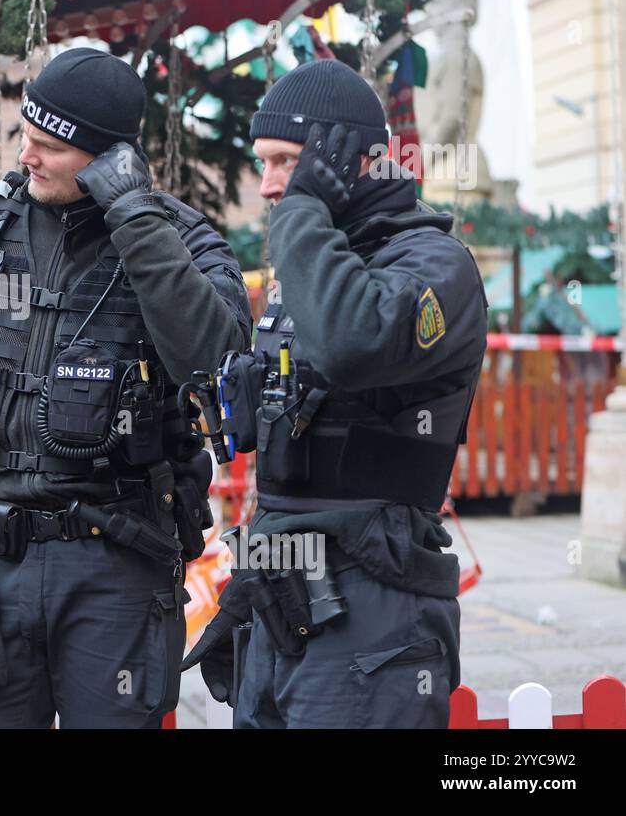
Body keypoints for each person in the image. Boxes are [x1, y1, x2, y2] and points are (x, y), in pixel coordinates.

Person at [0, 47, 252, 728]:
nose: (26, 157)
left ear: (108, 157)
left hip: (117, 572)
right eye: (25, 137)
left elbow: (215, 364)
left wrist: (134, 217)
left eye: (49, 146)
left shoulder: (180, 244)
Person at [182, 59, 488, 728]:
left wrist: (302, 212)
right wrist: (250, 583)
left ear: (346, 160)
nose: (268, 188)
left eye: (285, 162)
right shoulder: (316, 262)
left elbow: (353, 345)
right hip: (287, 607)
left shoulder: (433, 265)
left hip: (374, 614)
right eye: (262, 164)